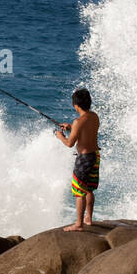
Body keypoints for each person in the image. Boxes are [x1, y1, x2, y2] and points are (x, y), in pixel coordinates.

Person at [55, 88, 100, 231]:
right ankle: (89, 218)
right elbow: (85, 131)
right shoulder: (94, 116)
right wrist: (71, 127)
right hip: (95, 156)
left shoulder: (78, 121)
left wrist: (60, 136)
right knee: (89, 189)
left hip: (84, 159)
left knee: (79, 191)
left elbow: (69, 144)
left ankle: (79, 224)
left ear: (76, 105)